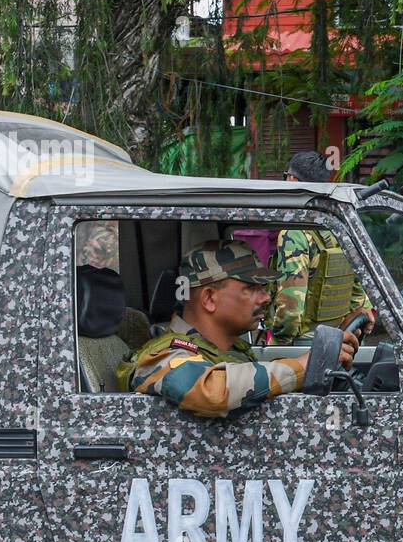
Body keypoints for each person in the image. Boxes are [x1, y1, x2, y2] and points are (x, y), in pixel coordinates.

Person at [118, 241, 359, 416]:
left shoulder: (231, 350)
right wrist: (303, 367)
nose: (266, 297)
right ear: (209, 299)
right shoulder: (165, 354)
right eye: (252, 288)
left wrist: (329, 357)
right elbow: (213, 390)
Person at [267, 151, 373, 345]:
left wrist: (278, 343)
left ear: (291, 179)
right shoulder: (340, 227)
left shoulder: (295, 232)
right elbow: (358, 294)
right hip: (338, 337)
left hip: (302, 343)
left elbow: (291, 307)